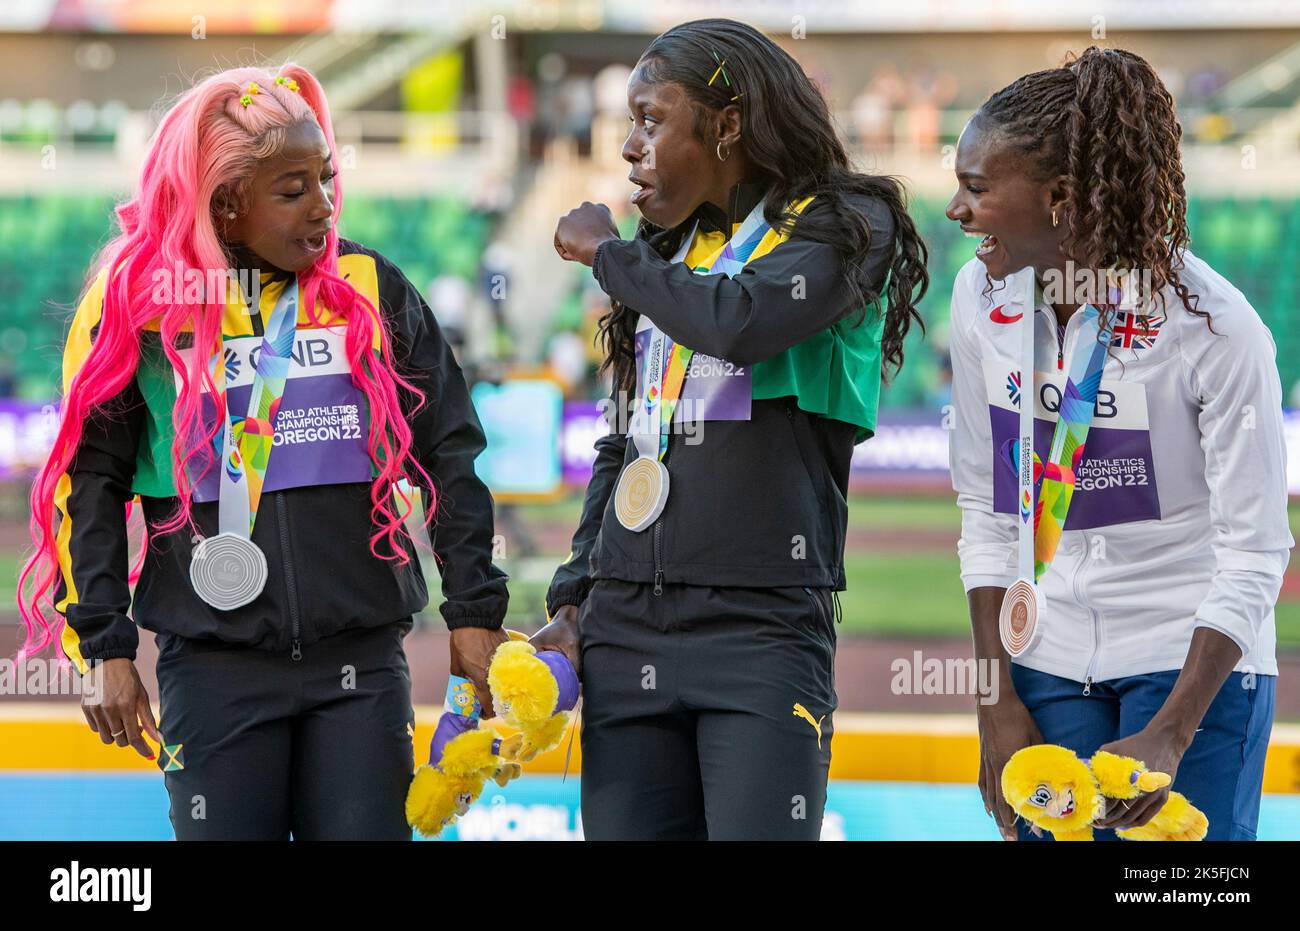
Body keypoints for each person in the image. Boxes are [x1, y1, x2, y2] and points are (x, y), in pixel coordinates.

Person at [17, 64, 509, 840]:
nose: (324, 205)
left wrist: (476, 607)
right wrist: (103, 647)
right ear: (226, 205)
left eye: (327, 178)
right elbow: (91, 483)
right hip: (214, 672)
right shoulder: (140, 310)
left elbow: (446, 449)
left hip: (360, 665)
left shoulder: (368, 286)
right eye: (293, 190)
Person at [543, 18, 928, 840]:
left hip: (762, 630)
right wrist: (576, 594)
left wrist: (611, 257)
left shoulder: (846, 223)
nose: (630, 149)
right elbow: (626, 438)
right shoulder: (673, 248)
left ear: (727, 125)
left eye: (651, 120)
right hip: (624, 625)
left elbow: (743, 321)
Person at [945, 47, 1292, 841]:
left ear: (1061, 198)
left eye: (977, 188)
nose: (958, 212)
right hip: (1048, 654)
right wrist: (994, 701)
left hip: (1190, 662)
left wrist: (1173, 732)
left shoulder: (1215, 327)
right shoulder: (978, 297)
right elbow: (987, 508)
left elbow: (1255, 551)